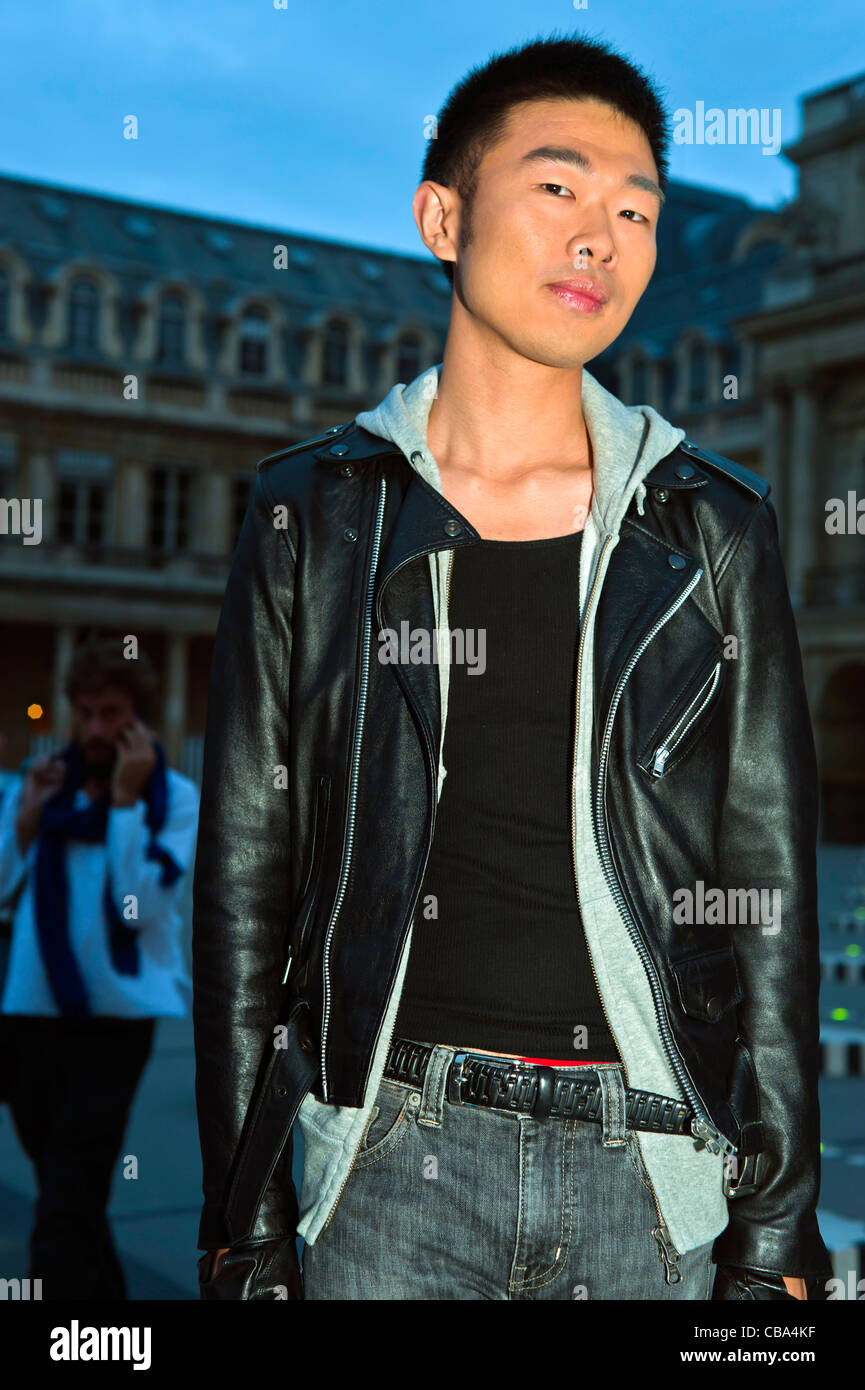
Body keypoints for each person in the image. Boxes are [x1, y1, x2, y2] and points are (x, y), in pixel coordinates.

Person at [193, 34, 832, 1300]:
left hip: (649, 1175)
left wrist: (777, 1235)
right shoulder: (314, 516)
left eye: (637, 208)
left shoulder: (711, 528)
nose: (601, 233)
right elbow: (242, 888)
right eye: (559, 188)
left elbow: (766, 893)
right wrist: (245, 1211)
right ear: (442, 215)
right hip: (384, 1162)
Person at [0, 639, 199, 1299]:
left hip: (116, 1021)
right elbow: (1, 890)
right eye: (83, 713)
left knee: (64, 1198)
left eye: (109, 713)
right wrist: (26, 821)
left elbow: (136, 905)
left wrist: (121, 805)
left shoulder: (171, 799)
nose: (93, 729)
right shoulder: (44, 786)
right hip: (30, 1013)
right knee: (71, 1194)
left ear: (137, 717)